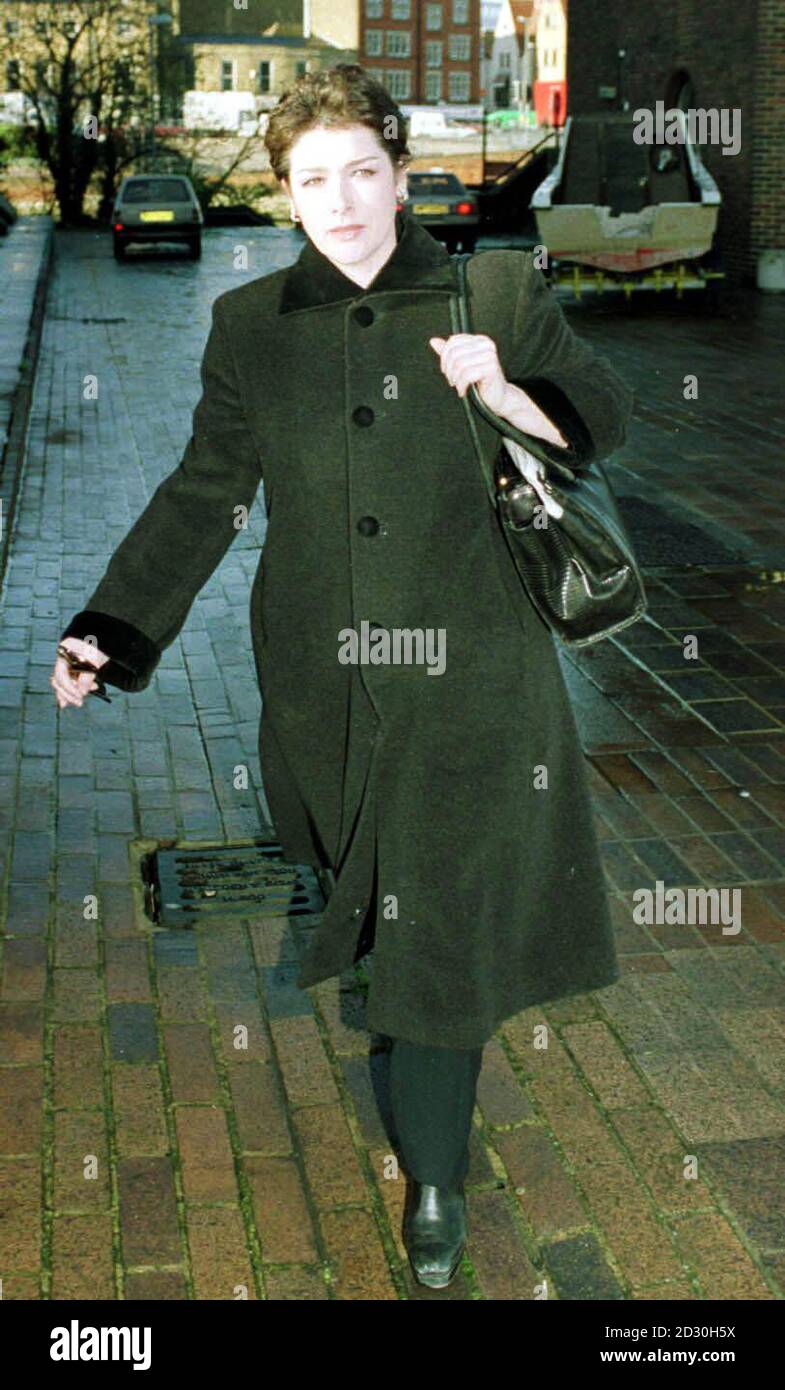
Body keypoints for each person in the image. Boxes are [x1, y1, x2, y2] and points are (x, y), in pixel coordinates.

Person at [51, 64, 634, 1291]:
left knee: (437, 928)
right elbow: (206, 490)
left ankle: (435, 1180)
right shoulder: (249, 326)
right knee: (379, 912)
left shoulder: (493, 289)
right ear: (283, 193)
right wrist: (113, 626)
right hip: (324, 683)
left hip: (476, 680)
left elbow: (605, 412)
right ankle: (419, 1091)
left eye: (363, 171)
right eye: (313, 179)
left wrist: (505, 390)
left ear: (400, 174)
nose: (344, 201)